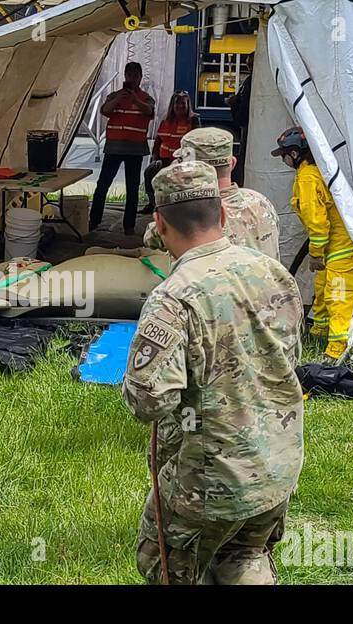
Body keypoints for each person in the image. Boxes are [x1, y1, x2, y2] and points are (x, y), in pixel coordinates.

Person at [122, 160, 304, 585]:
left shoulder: (172, 299)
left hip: (209, 479)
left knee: (163, 566)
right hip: (278, 461)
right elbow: (288, 357)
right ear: (222, 214)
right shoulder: (274, 273)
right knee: (245, 557)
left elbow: (148, 402)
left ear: (159, 225)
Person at [273, 126, 353, 360]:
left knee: (338, 297)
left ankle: (337, 350)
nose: (283, 159)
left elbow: (318, 223)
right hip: (335, 248)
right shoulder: (312, 172)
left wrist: (316, 253)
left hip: (341, 251)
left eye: (284, 154)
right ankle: (319, 331)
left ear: (294, 153)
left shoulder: (308, 178)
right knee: (322, 289)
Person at [145, 127, 279, 260]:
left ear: (189, 168)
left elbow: (150, 239)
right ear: (232, 163)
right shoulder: (261, 202)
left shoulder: (192, 214)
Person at [90, 62, 155, 234]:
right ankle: (93, 221)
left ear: (140, 77)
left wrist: (135, 99)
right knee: (102, 185)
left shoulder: (146, 97)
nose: (132, 79)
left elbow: (149, 112)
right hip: (114, 148)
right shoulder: (115, 96)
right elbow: (105, 110)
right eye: (129, 75)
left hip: (135, 149)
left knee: (132, 188)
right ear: (125, 76)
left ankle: (129, 226)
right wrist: (121, 96)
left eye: (135, 76)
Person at [140, 92, 199, 213]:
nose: (180, 106)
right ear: (172, 105)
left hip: (182, 163)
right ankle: (153, 203)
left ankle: (175, 208)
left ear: (188, 105)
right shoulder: (166, 121)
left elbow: (196, 144)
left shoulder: (193, 121)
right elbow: (158, 141)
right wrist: (155, 158)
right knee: (149, 173)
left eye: (183, 103)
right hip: (164, 160)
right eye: (177, 103)